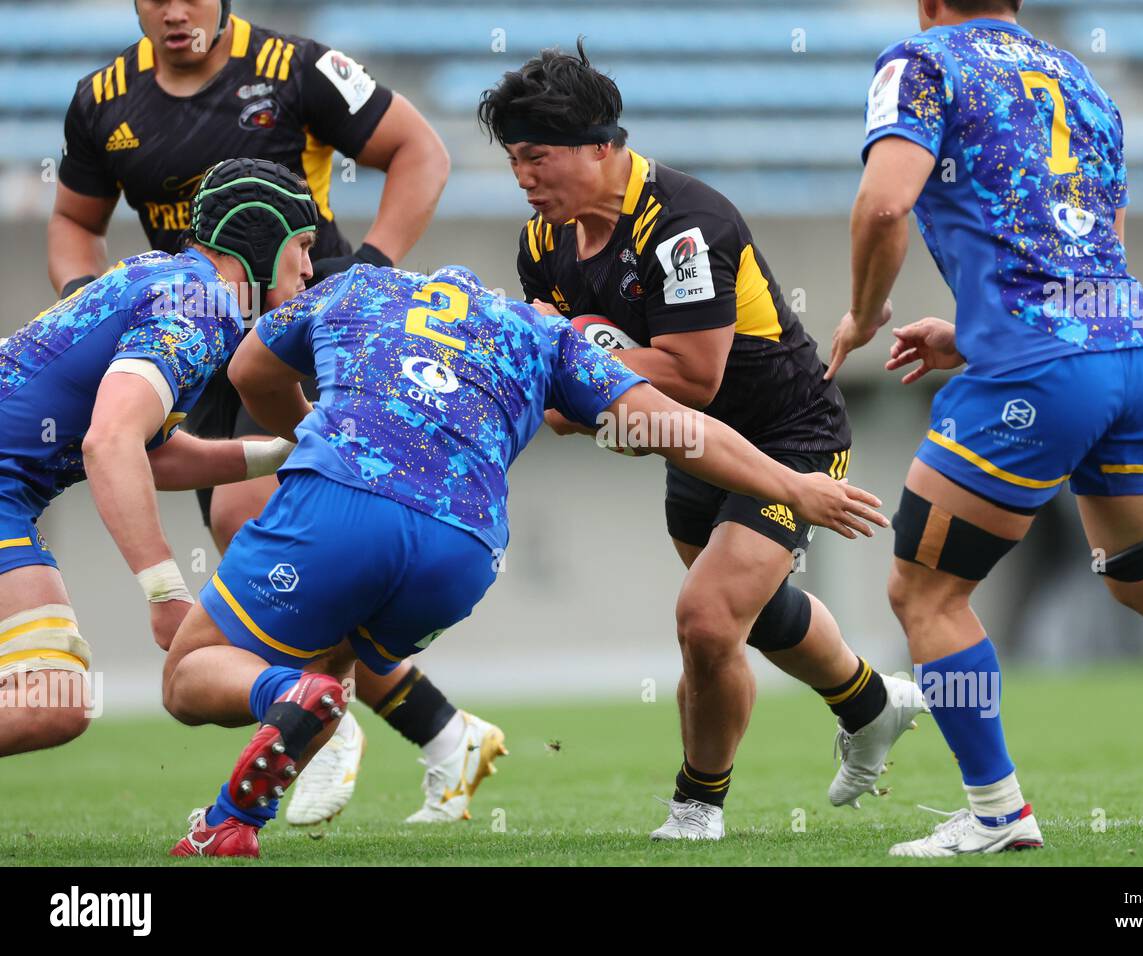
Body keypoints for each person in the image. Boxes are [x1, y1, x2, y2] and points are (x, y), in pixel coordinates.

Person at [161, 261, 890, 857]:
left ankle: (287, 708)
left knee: (190, 673)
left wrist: (312, 433)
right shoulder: (540, 330)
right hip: (464, 548)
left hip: (345, 502)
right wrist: (793, 483)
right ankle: (232, 818)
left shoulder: (359, 285)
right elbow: (673, 425)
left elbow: (251, 370)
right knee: (335, 653)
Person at [827, 0, 1143, 856]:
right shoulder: (1084, 78)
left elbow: (885, 206)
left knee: (926, 592)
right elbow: (1097, 243)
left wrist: (862, 317)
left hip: (1038, 367)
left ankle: (998, 813)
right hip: (1137, 348)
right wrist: (976, 335)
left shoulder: (922, 60)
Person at [48, 0, 489, 827]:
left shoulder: (297, 68)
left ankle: (319, 719)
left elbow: (420, 154)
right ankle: (432, 729)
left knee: (278, 538)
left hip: (305, 336)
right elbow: (75, 223)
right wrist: (91, 306)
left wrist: (364, 274)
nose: (174, 11)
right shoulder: (102, 100)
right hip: (198, 339)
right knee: (264, 554)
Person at [476, 41, 928, 842]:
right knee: (741, 619)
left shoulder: (684, 224)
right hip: (690, 445)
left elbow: (692, 375)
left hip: (786, 434)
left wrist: (585, 371)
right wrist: (580, 388)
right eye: (515, 160)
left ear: (601, 145)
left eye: (538, 157)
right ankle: (870, 704)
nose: (524, 177)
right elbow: (561, 401)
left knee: (708, 619)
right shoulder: (541, 246)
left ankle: (696, 806)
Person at [0, 158, 309, 757]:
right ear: (263, 238)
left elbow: (150, 453)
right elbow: (109, 443)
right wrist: (166, 590)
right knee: (49, 701)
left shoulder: (170, 281)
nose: (307, 269)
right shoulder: (198, 308)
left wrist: (283, 449)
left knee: (48, 697)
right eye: (303, 246)